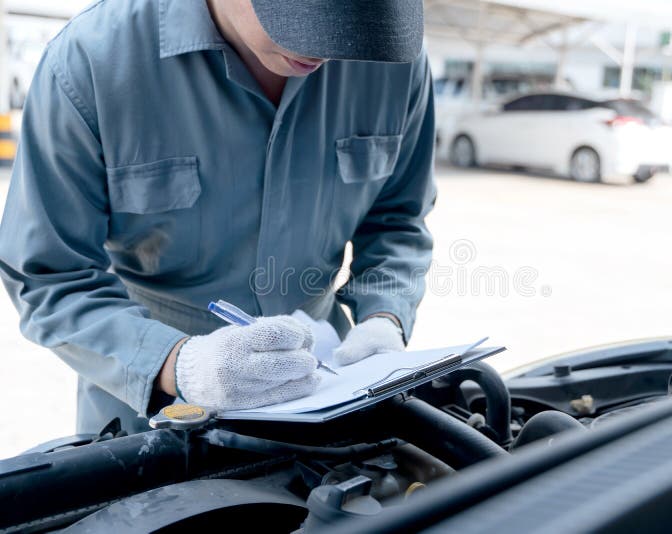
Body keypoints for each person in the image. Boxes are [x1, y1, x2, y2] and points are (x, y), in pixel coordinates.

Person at [0, 0, 436, 435]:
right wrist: (179, 365)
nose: (325, 51)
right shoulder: (94, 61)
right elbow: (49, 275)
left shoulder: (389, 58)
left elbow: (398, 219)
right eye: (302, 21)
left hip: (324, 398)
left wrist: (385, 317)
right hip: (153, 421)